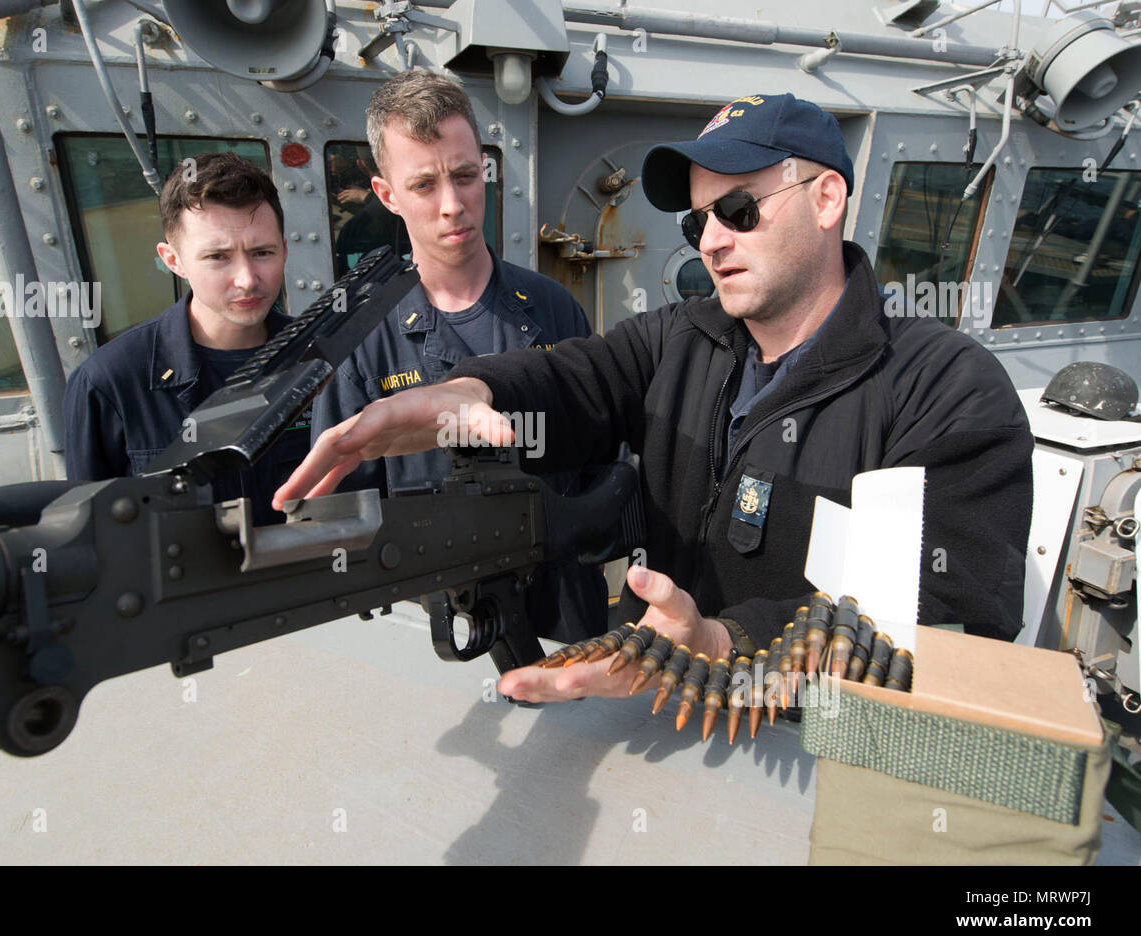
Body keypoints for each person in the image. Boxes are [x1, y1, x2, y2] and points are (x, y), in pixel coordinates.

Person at [280, 92, 1034, 703]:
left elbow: (945, 620)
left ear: (828, 197)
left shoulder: (949, 390)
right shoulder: (684, 336)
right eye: (698, 221)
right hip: (665, 713)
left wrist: (724, 645)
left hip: (810, 762)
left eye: (737, 210)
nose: (711, 241)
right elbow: (576, 382)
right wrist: (462, 397)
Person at [311, 69, 608, 645]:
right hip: (437, 624)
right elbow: (345, 517)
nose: (453, 205)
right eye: (424, 185)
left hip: (564, 610)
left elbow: (597, 463)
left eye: (466, 176)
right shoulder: (361, 337)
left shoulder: (554, 309)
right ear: (386, 195)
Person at [63, 152, 308, 525]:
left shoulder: (322, 358)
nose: (246, 279)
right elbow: (89, 532)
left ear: (284, 251)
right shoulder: (110, 383)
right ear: (172, 259)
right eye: (217, 257)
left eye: (262, 253)